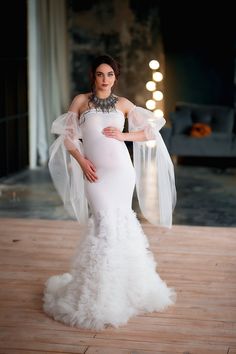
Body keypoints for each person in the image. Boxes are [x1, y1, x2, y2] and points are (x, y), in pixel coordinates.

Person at [43, 54, 177, 330]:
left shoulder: (124, 104)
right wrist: (82, 162)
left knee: (121, 223)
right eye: (101, 74)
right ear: (93, 76)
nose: (105, 79)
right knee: (104, 224)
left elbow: (150, 131)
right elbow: (68, 137)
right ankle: (98, 294)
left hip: (122, 173)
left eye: (110, 75)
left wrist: (123, 136)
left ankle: (127, 289)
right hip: (95, 173)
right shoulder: (81, 101)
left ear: (116, 77)